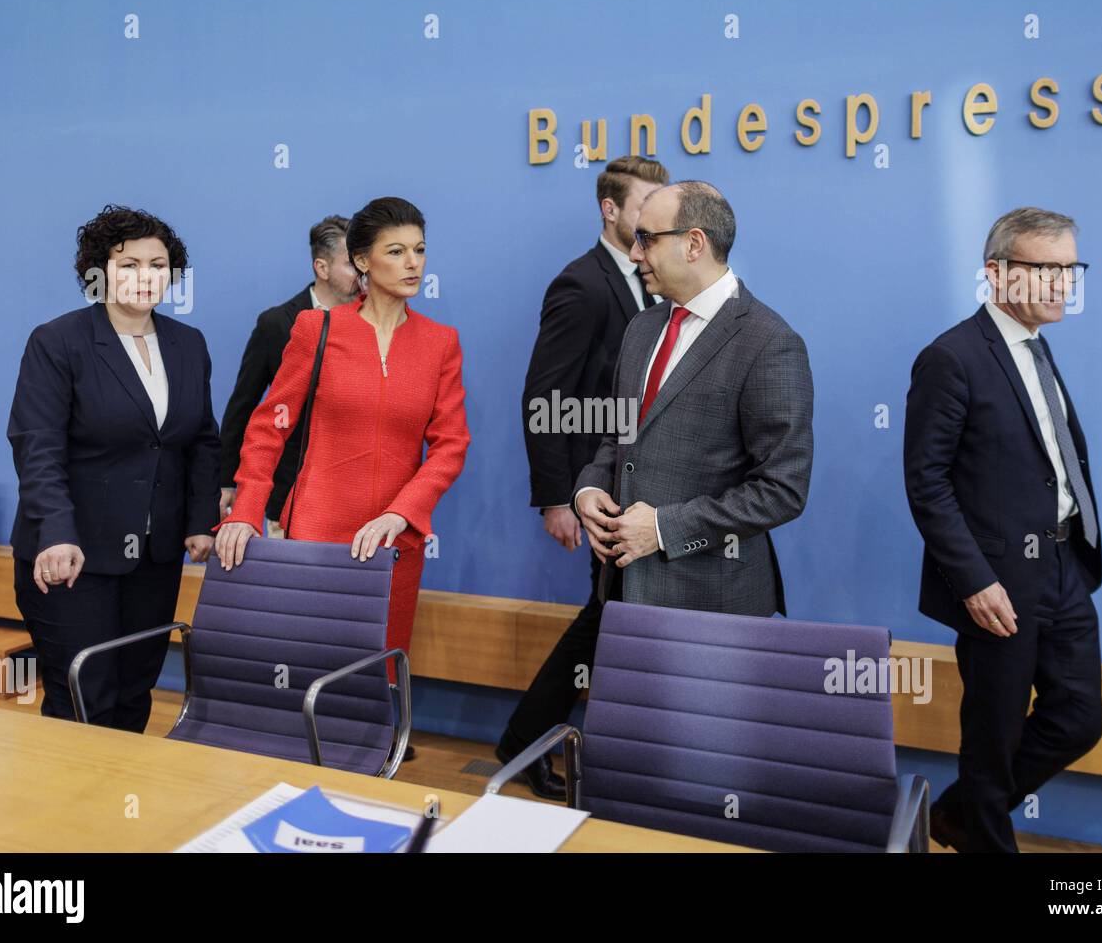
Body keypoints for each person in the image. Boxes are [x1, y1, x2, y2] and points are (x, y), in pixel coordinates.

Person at [903, 207, 1102, 852]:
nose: (1062, 284)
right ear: (997, 274)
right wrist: (974, 581)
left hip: (1064, 567)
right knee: (993, 739)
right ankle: (982, 827)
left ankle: (961, 813)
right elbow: (926, 483)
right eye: (1046, 269)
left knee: (1078, 718)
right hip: (996, 583)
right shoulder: (951, 358)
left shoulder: (1038, 349)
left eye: (1070, 269)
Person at [213, 197, 469, 699]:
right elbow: (268, 426)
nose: (413, 262)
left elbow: (450, 445)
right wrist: (245, 510)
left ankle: (368, 769)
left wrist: (402, 514)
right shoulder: (317, 328)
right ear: (361, 262)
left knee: (377, 680)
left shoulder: (441, 343)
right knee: (310, 676)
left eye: (419, 250)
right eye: (396, 251)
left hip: (394, 542)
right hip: (318, 535)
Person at [8, 204, 220, 730]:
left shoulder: (188, 344)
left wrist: (198, 521)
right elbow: (37, 446)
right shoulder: (58, 342)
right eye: (128, 264)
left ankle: (120, 808)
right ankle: (65, 812)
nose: (145, 277)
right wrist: (56, 533)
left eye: (157, 264)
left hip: (155, 555)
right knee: (83, 697)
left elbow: (201, 440)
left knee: (133, 693)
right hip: (73, 553)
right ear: (98, 272)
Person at [497, 155, 669, 799]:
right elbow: (545, 396)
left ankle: (535, 741)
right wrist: (556, 497)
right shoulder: (582, 283)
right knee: (603, 619)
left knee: (608, 619)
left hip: (636, 494)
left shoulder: (654, 280)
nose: (654, 219)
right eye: (644, 205)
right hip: (596, 494)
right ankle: (527, 741)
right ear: (611, 209)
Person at [575, 182, 813, 614]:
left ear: (694, 243)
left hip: (712, 603)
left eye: (646, 239)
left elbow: (782, 489)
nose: (634, 254)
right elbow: (620, 435)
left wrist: (665, 529)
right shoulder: (642, 329)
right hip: (624, 591)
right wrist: (589, 487)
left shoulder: (769, 342)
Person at [218, 215, 360, 536]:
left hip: (355, 498)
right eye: (352, 265)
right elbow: (244, 405)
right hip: (289, 495)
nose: (363, 274)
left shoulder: (373, 323)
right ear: (322, 268)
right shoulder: (276, 324)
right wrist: (226, 480)